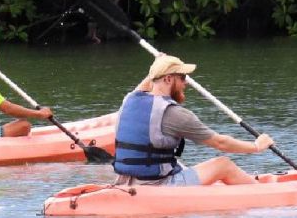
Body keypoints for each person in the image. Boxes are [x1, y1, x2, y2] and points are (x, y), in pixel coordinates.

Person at [112, 54, 274, 186]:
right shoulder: (174, 114)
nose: (185, 83)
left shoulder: (129, 100)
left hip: (127, 182)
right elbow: (220, 143)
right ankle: (266, 195)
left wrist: (158, 65)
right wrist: (256, 146)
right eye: (182, 77)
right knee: (223, 165)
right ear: (168, 79)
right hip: (158, 185)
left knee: (182, 166)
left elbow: (150, 82)